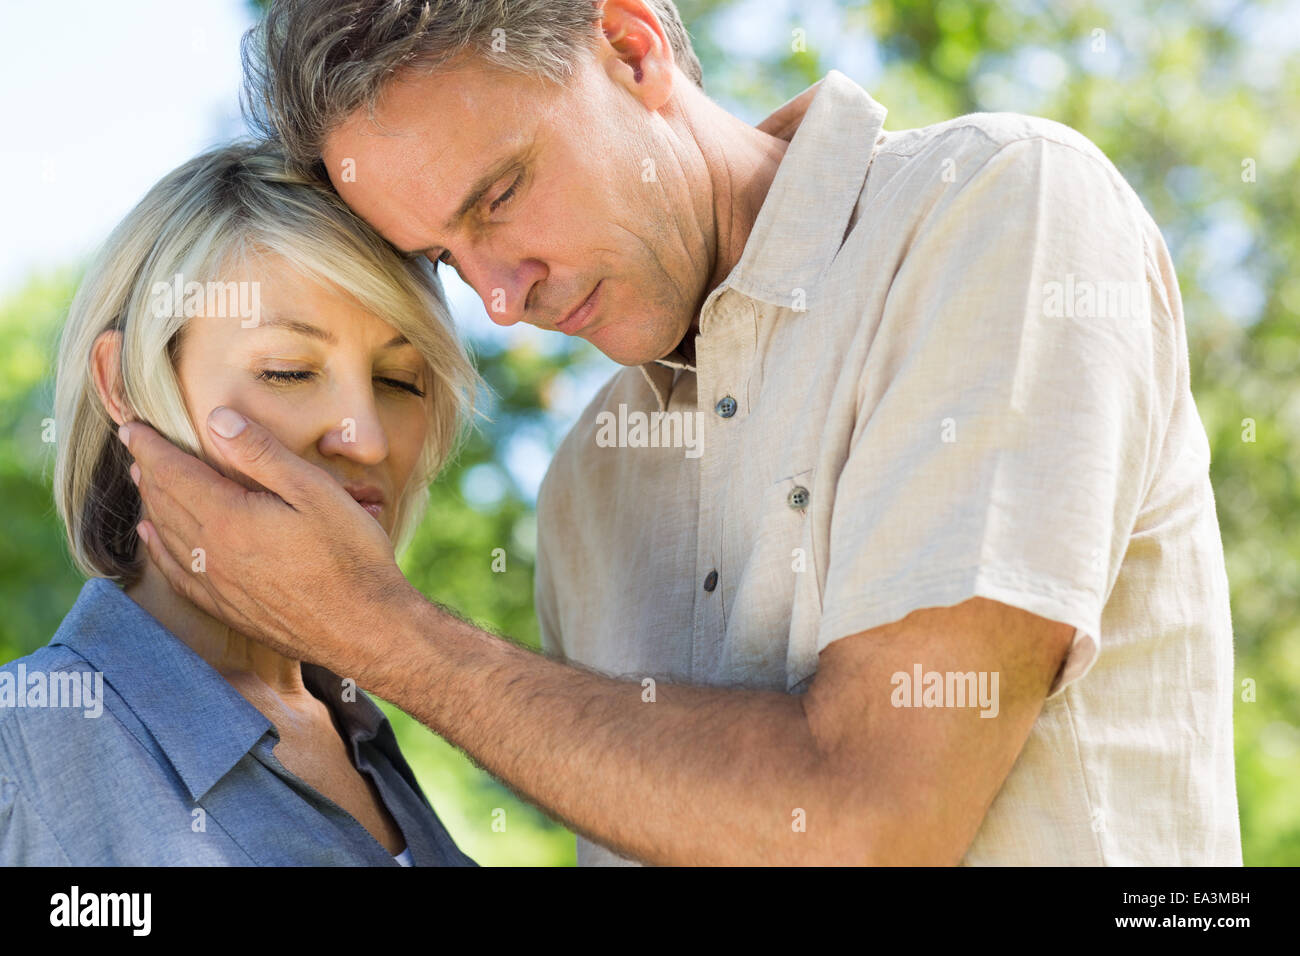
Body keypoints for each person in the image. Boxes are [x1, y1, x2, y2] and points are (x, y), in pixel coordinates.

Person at [122, 0, 1242, 865]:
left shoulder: (994, 212)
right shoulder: (582, 492)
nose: (500, 299)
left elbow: (867, 820)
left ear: (630, 45)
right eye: (445, 260)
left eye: (499, 195)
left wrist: (375, 628)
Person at [0, 141, 478, 866]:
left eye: (402, 381)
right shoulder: (19, 749)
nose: (368, 438)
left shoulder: (363, 739)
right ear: (125, 382)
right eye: (288, 371)